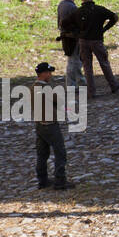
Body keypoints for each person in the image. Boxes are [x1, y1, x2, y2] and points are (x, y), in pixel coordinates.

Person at [76, 0, 119, 97]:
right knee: (104, 63)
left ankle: (91, 92)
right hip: (97, 40)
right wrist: (105, 28)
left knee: (87, 67)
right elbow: (115, 17)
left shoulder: (78, 12)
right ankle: (113, 85)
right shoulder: (99, 9)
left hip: (83, 41)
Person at [32, 62, 71, 190]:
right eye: (48, 72)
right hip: (50, 125)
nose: (50, 75)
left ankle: (42, 181)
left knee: (42, 154)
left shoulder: (33, 87)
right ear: (42, 74)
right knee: (60, 152)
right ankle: (60, 181)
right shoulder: (46, 88)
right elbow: (59, 100)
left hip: (39, 125)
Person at [57, 0, 83, 93]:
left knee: (72, 60)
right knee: (74, 61)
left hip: (64, 34)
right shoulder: (73, 8)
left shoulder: (61, 4)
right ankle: (73, 84)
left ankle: (78, 82)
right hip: (71, 37)